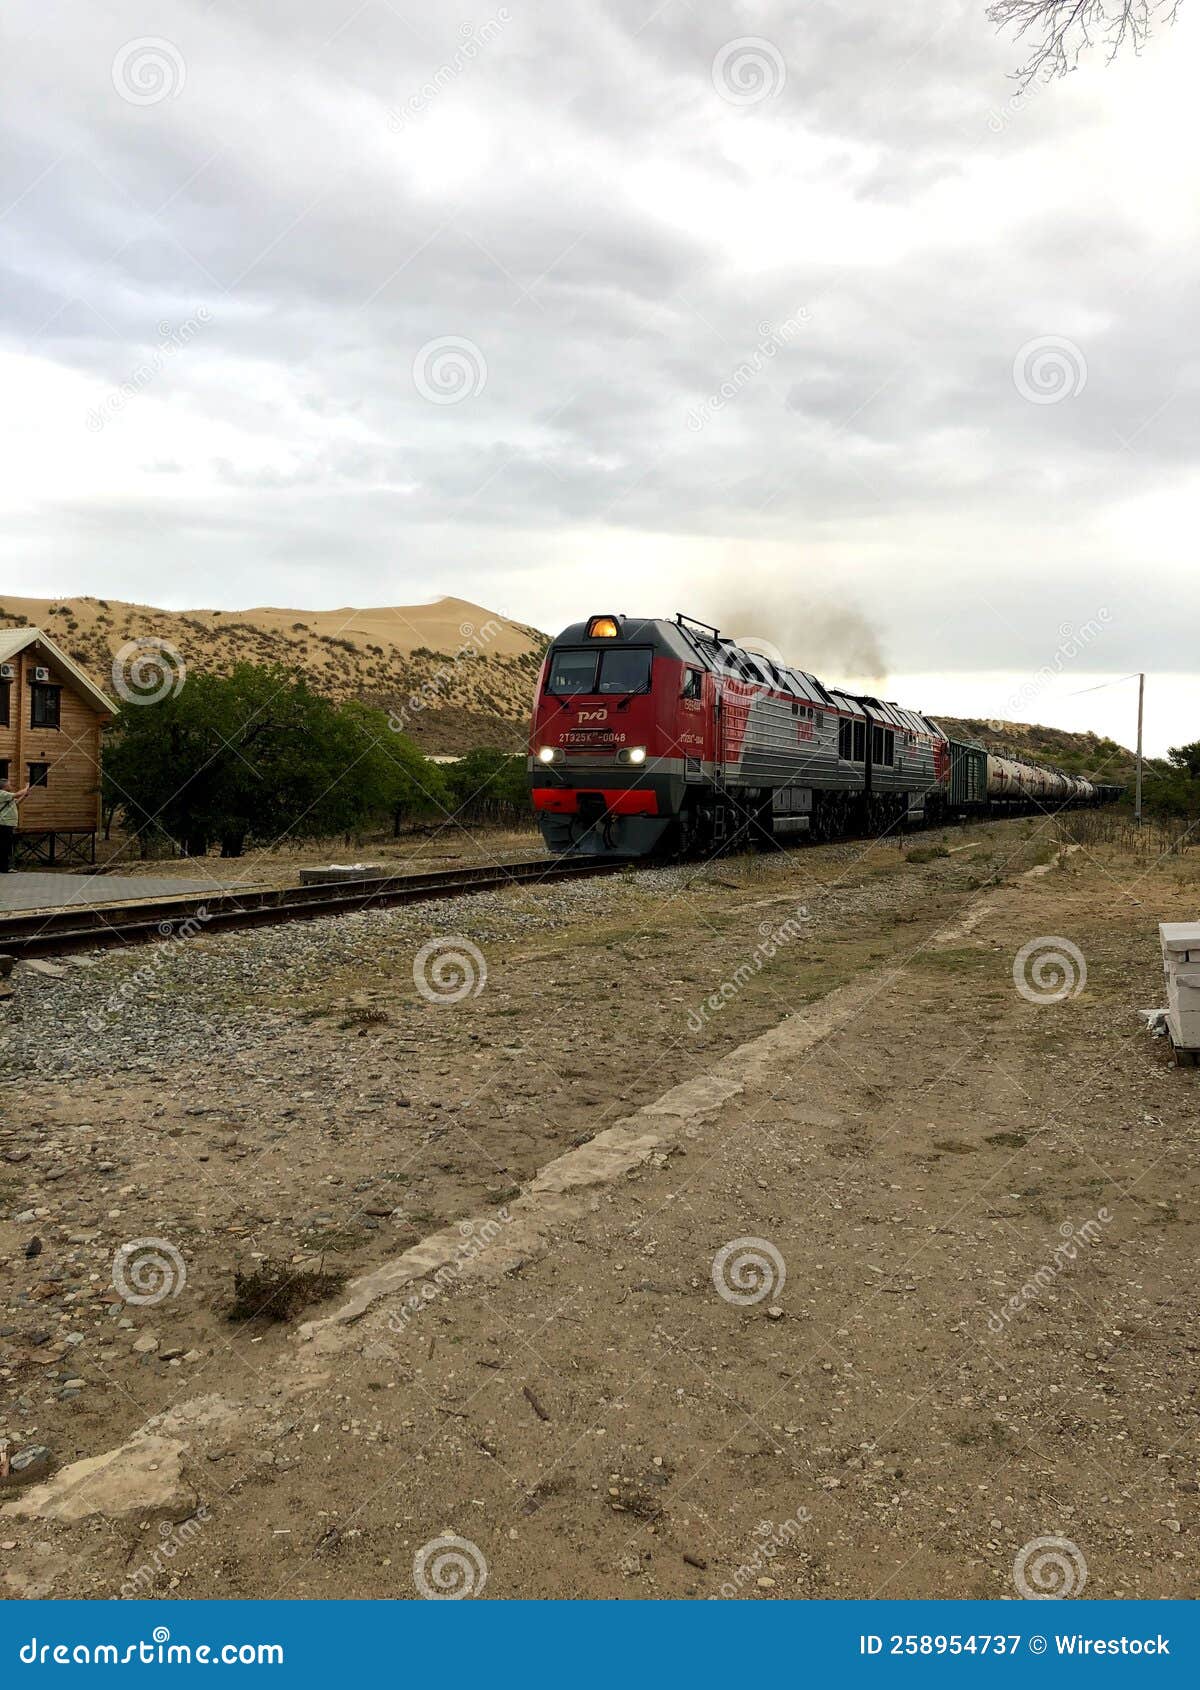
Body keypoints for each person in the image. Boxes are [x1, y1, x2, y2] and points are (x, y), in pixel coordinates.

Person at [0, 778, 30, 873]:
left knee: (6, 846)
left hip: (7, 824)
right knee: (4, 847)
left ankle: (5, 867)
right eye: (9, 784)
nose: (11, 785)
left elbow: (16, 802)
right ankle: (4, 868)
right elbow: (17, 794)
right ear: (4, 786)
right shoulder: (1, 793)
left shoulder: (7, 796)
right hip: (4, 824)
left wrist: (24, 796)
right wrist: (27, 787)